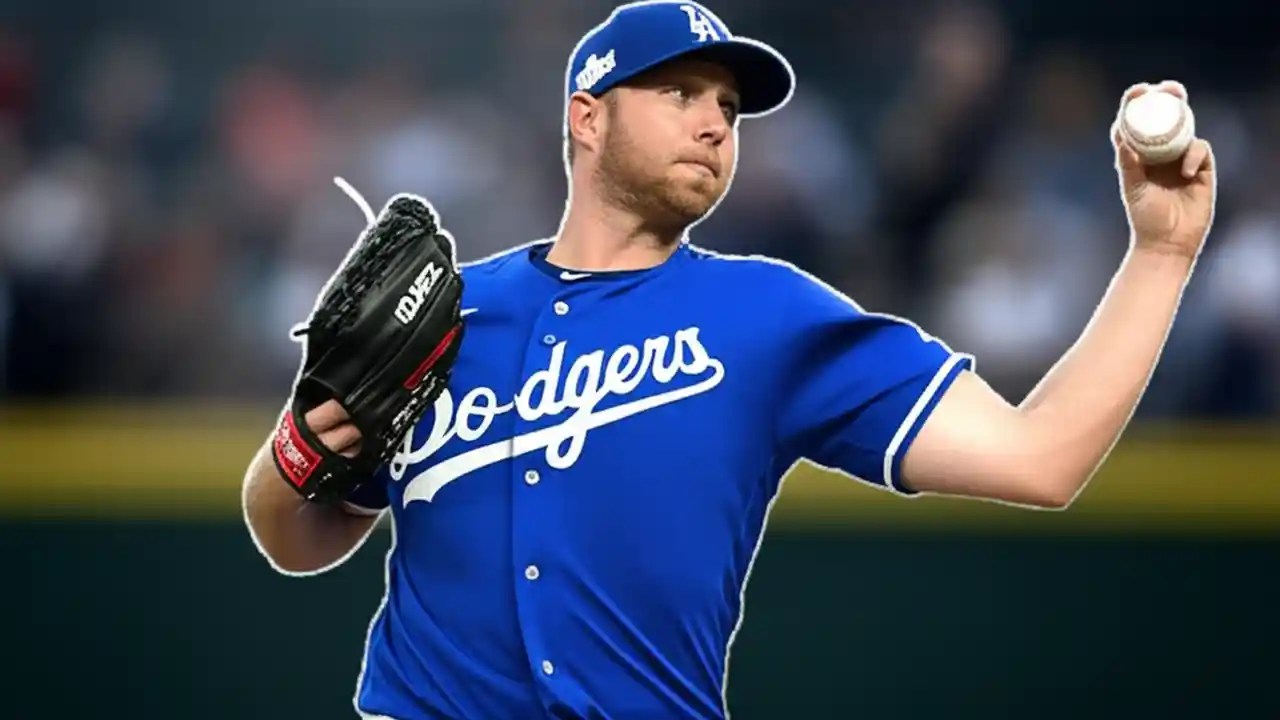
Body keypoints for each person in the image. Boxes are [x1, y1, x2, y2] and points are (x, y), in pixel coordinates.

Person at [241, 2, 1217, 718]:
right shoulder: (450, 312)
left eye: (727, 106)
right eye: (677, 92)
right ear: (586, 116)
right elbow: (294, 535)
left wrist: (1160, 253)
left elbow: (1037, 459)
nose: (714, 122)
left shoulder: (762, 315)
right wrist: (292, 455)